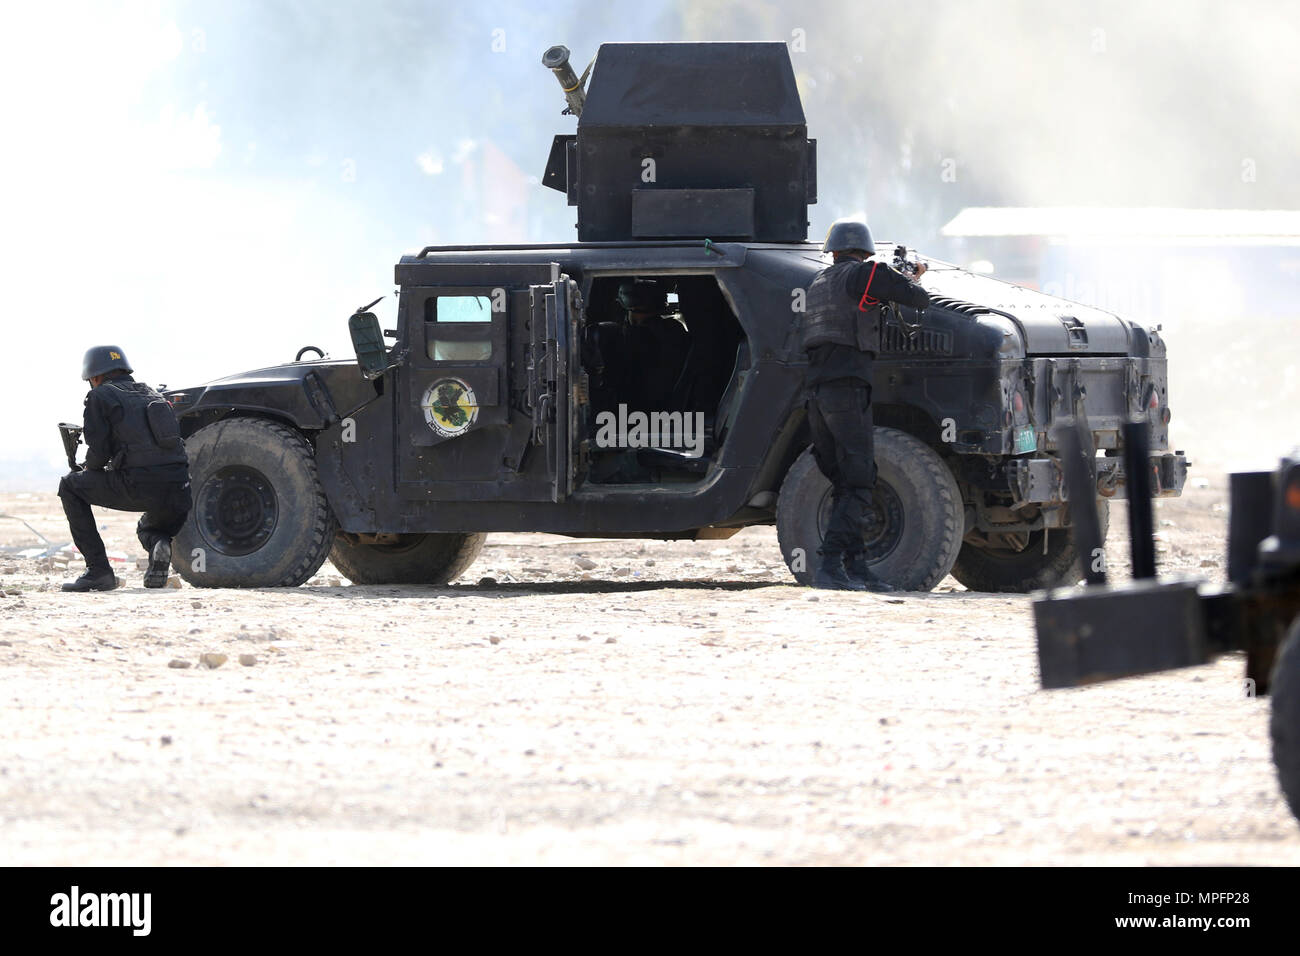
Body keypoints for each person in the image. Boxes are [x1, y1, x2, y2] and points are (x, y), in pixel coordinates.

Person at [801, 219, 930, 591]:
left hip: (818, 392)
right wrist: (915, 277)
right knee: (859, 479)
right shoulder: (864, 274)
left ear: (834, 250)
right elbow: (915, 299)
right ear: (864, 251)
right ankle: (829, 565)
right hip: (846, 389)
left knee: (845, 479)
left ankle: (854, 568)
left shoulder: (819, 283)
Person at [58, 346, 192, 592]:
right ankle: (159, 542)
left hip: (140, 485)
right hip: (180, 490)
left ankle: (98, 571)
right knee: (149, 528)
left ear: (95, 377)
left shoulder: (101, 396)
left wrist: (88, 468)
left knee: (69, 486)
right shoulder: (153, 394)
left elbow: (99, 453)